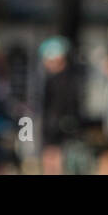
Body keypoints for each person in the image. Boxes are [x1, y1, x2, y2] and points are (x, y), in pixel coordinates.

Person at [38, 37, 84, 175]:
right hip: (57, 128)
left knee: (55, 161)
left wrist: (54, 127)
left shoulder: (63, 79)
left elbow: (60, 107)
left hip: (59, 130)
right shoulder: (62, 77)